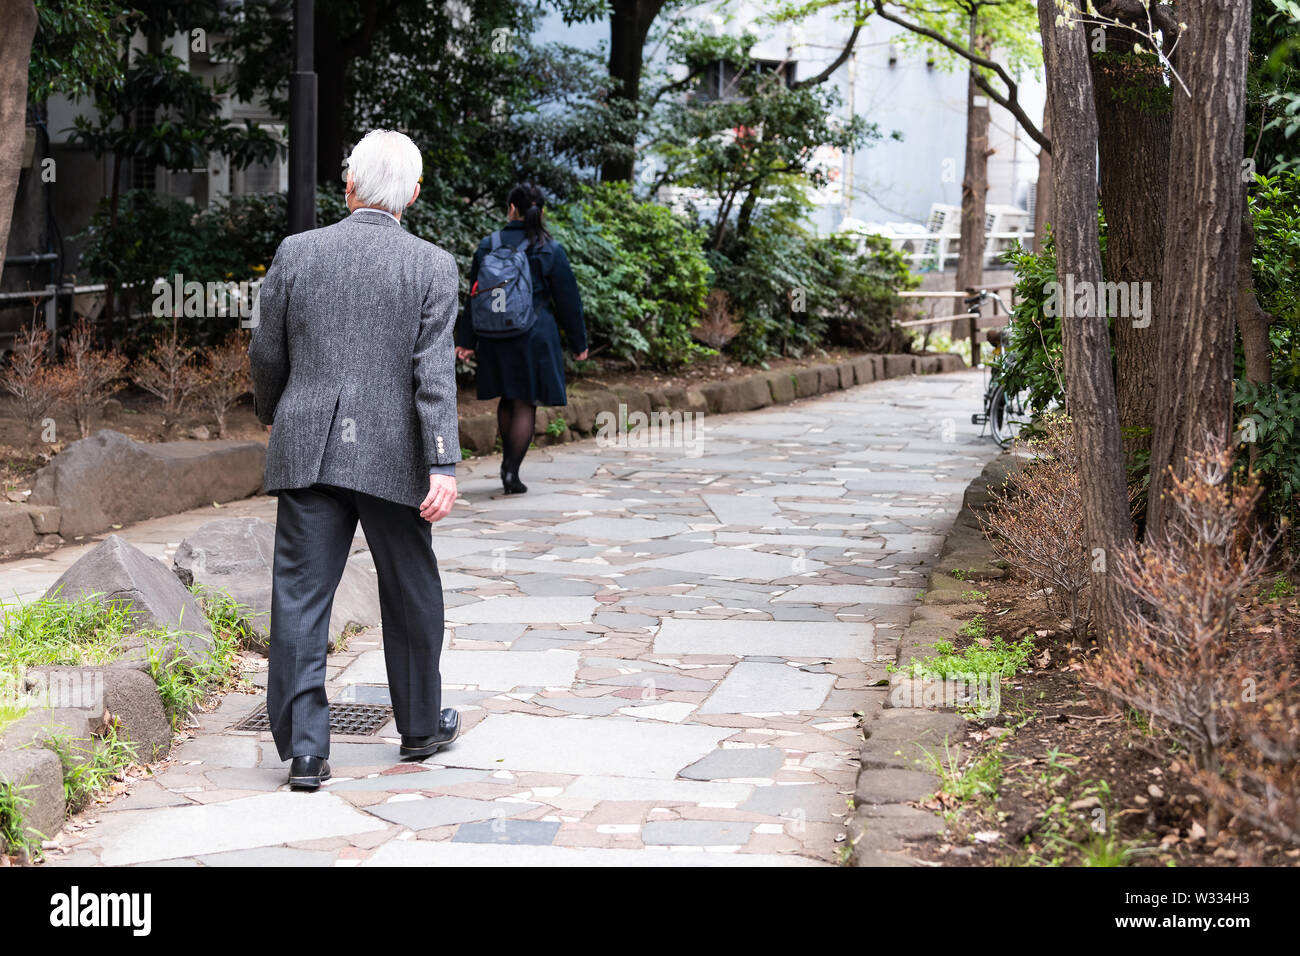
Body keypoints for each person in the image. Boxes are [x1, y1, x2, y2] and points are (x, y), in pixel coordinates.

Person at [249, 129, 462, 791]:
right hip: (394, 454)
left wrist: (276, 412)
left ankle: (307, 751)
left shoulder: (297, 252)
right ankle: (421, 726)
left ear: (348, 186)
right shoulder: (433, 266)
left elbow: (265, 352)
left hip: (308, 445)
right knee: (412, 591)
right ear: (414, 196)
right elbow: (434, 376)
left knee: (302, 599)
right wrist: (442, 462)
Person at [454, 182, 588, 495]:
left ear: (510, 208)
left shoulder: (489, 243)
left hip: (494, 333)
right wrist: (578, 343)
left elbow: (475, 294)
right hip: (533, 333)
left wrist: (467, 340)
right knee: (526, 402)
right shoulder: (549, 247)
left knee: (506, 397)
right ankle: (511, 470)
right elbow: (568, 299)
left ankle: (508, 463)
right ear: (540, 211)